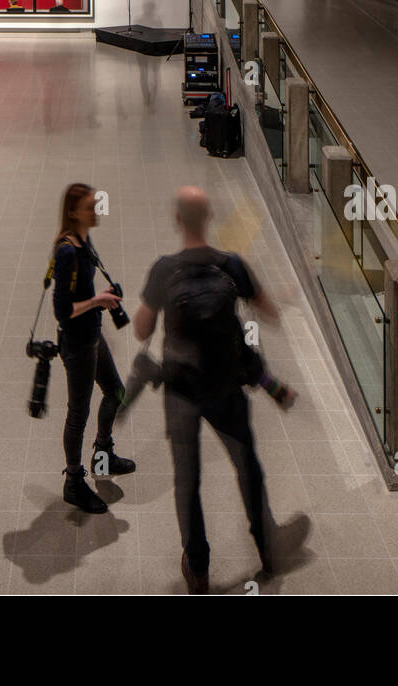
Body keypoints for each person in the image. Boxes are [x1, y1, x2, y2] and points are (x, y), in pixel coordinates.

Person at [134, 186, 278, 593]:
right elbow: (269, 311)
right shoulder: (232, 265)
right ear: (210, 216)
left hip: (182, 390)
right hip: (227, 385)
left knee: (188, 479)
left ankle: (198, 567)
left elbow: (142, 329)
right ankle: (265, 547)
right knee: (246, 466)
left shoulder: (164, 269)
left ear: (178, 220)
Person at [51, 182, 136, 514]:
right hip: (77, 342)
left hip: (92, 334)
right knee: (78, 413)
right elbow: (62, 310)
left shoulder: (84, 242)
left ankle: (103, 455)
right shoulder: (67, 251)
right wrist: (98, 301)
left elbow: (80, 293)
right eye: (89, 206)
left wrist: (103, 295)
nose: (95, 210)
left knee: (116, 391)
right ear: (73, 212)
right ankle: (73, 481)